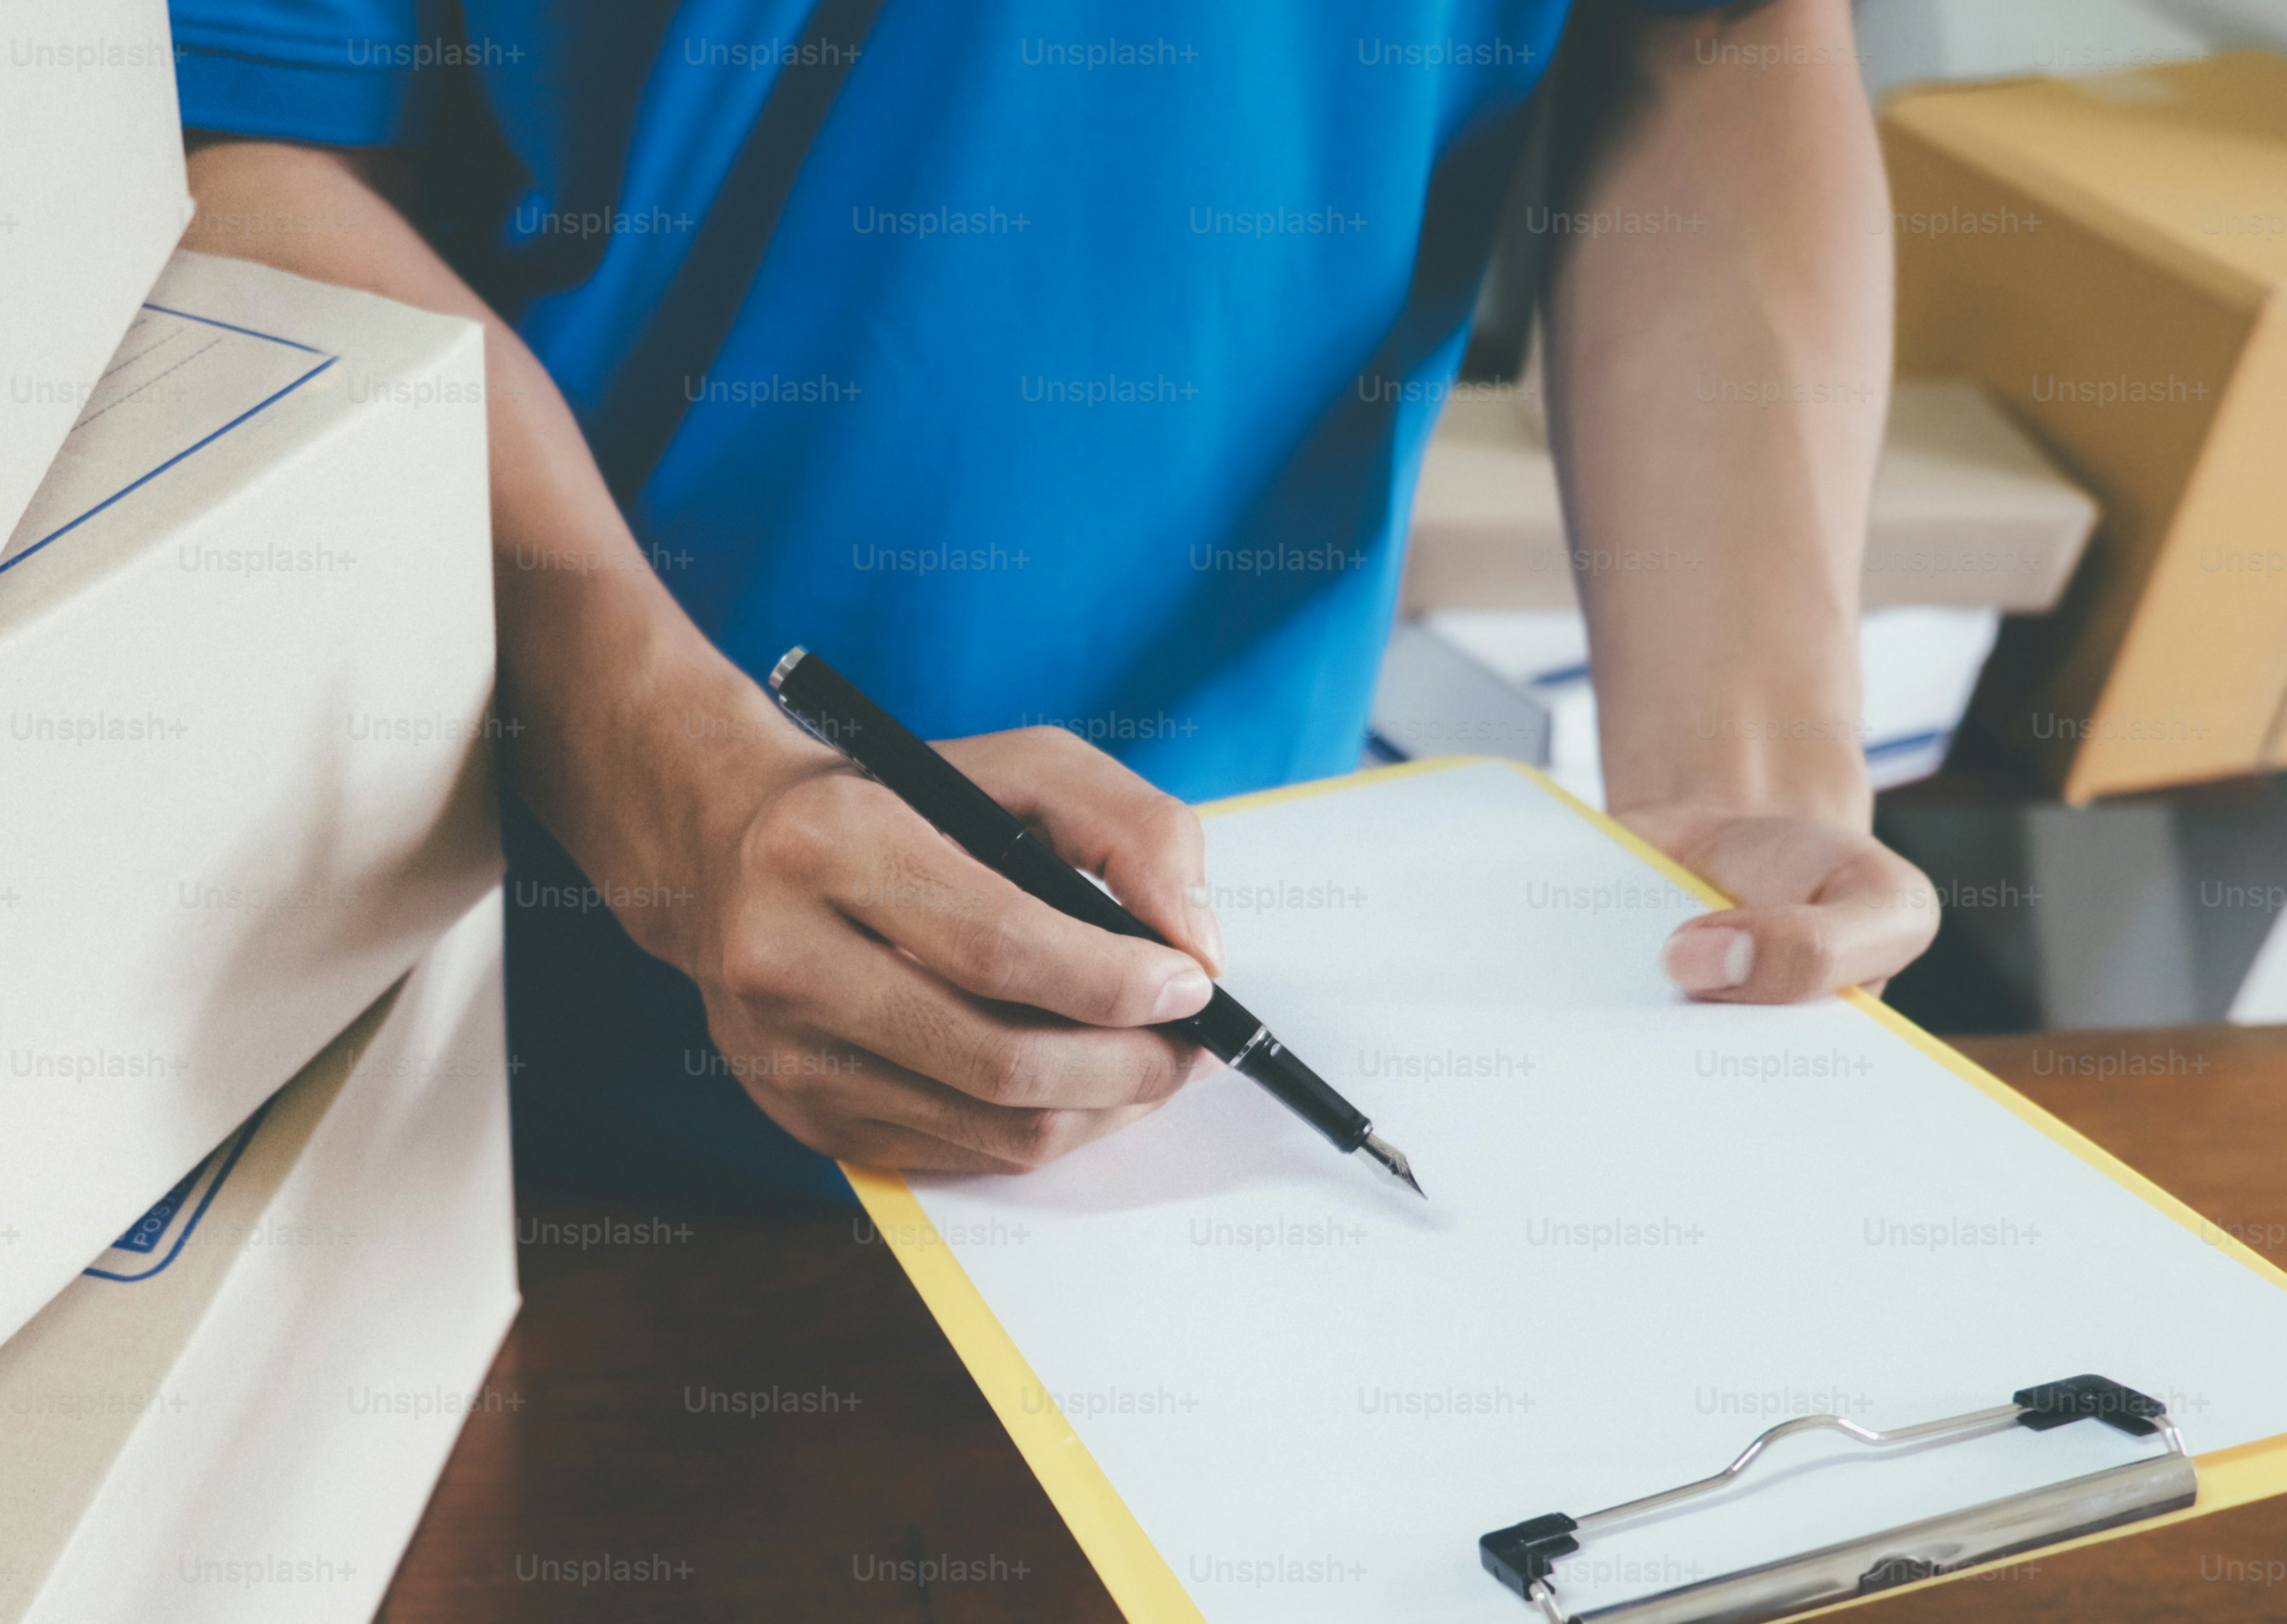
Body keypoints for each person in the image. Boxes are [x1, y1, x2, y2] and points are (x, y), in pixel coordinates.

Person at [172, 0, 1938, 1194]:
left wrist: (1732, 780)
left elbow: (1719, 36)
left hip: (1254, 949)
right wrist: (671, 773)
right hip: (456, 999)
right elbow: (228, 150)